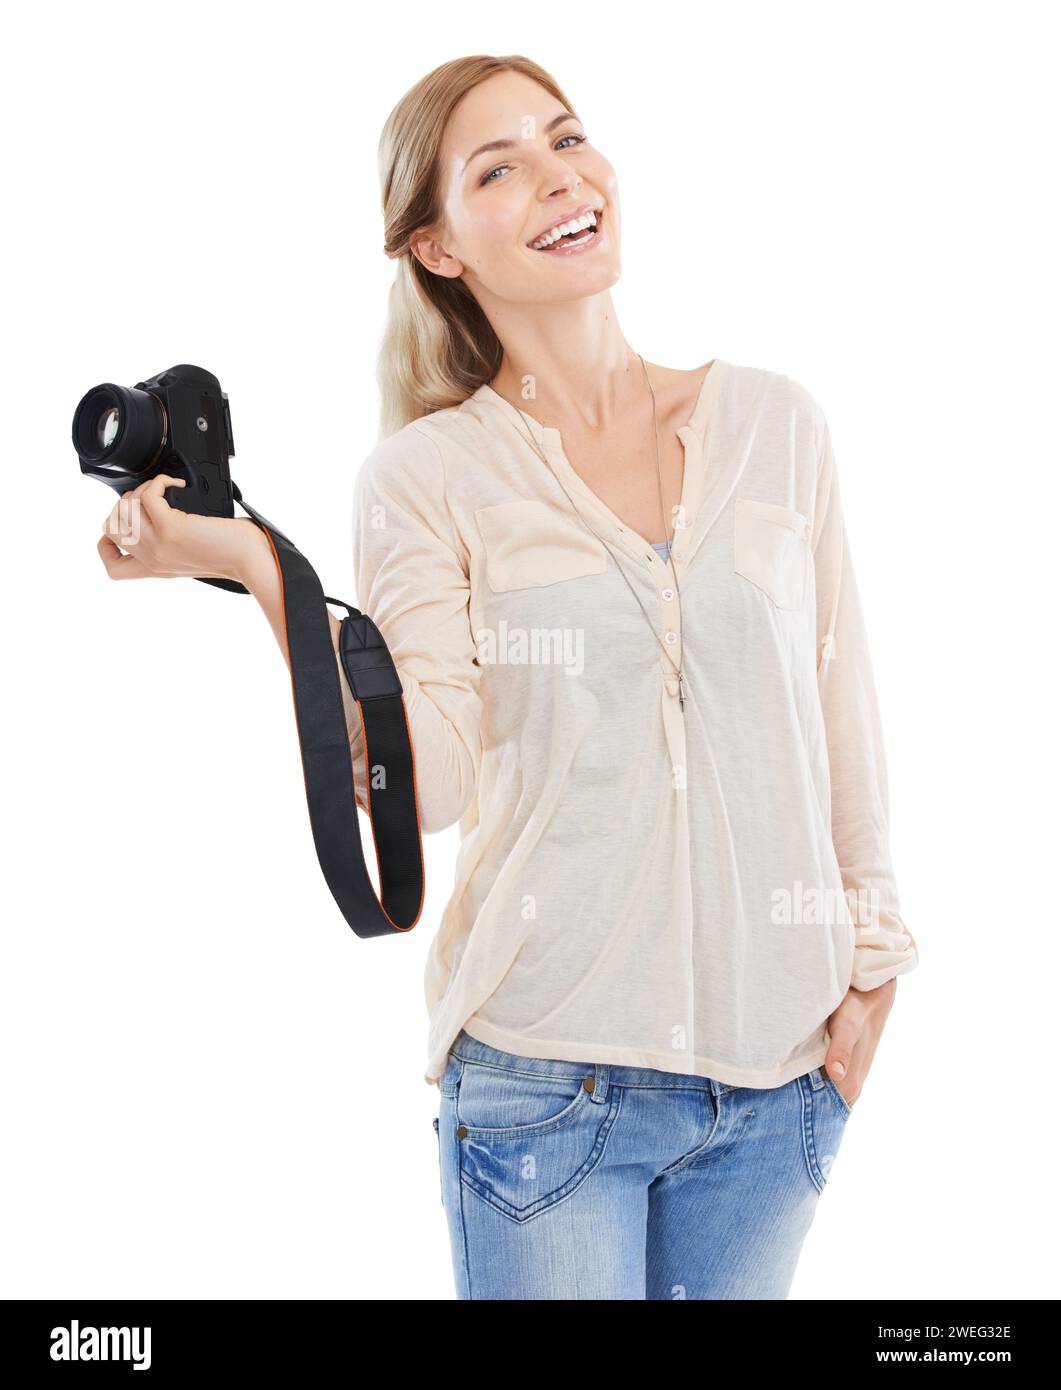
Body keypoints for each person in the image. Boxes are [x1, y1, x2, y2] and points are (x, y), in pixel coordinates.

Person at [97, 54, 918, 1300]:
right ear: (436, 248)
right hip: (548, 1093)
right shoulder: (427, 479)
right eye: (499, 168)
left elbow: (837, 705)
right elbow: (423, 784)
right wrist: (263, 571)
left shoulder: (773, 423)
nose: (559, 177)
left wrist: (873, 965)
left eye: (566, 138)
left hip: (778, 1096)